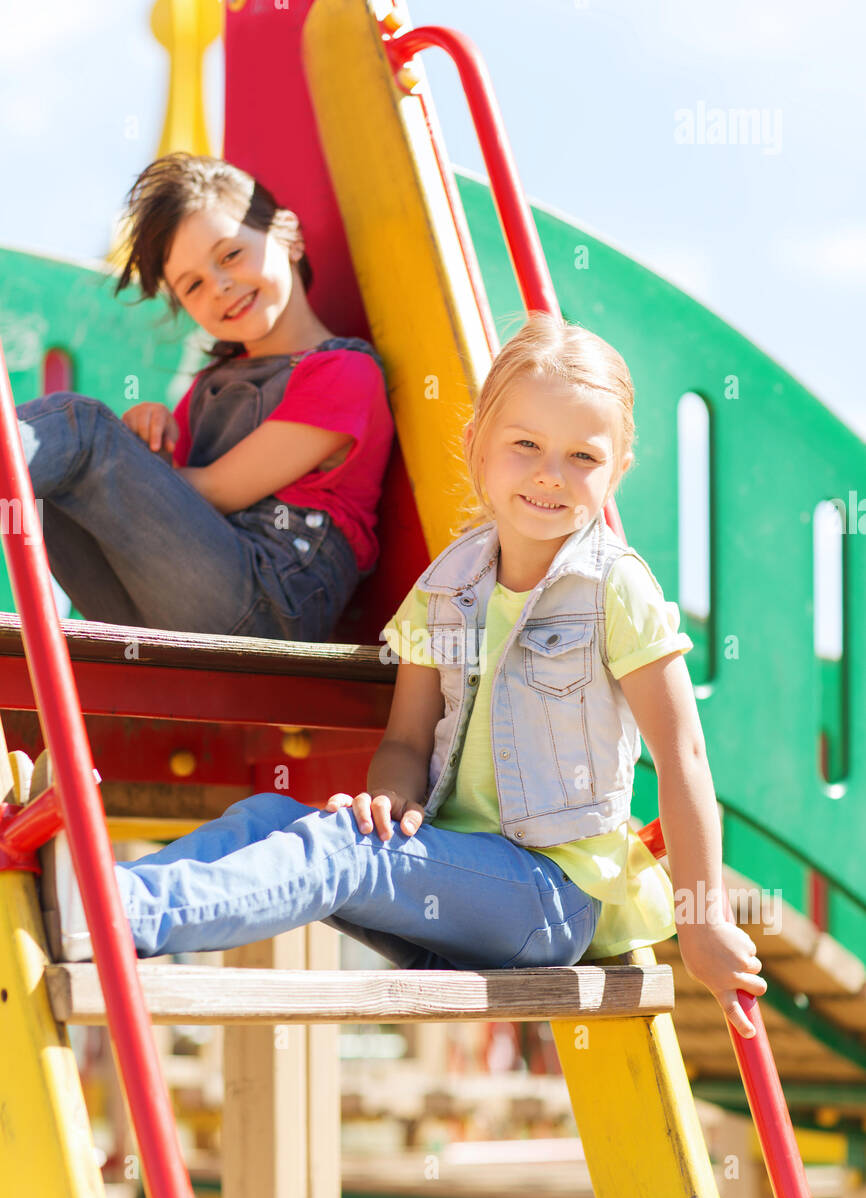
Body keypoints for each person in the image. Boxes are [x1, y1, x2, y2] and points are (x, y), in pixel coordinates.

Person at [37, 312, 766, 1039]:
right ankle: (105, 901)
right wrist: (386, 804)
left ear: (616, 473)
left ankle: (111, 914)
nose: (551, 472)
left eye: (582, 456)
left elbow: (683, 757)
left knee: (342, 853)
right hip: (451, 888)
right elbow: (409, 742)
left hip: (549, 898)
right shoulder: (446, 587)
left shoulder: (613, 588)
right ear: (476, 443)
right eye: (525, 445)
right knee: (273, 817)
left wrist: (702, 926)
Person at [13, 153, 394, 641]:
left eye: (231, 254)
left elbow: (217, 489)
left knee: (81, 428)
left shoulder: (344, 373)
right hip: (169, 605)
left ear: (289, 236)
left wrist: (114, 461)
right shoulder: (209, 389)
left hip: (269, 605)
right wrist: (145, 446)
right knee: (54, 480)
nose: (220, 286)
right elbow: (168, 508)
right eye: (193, 285)